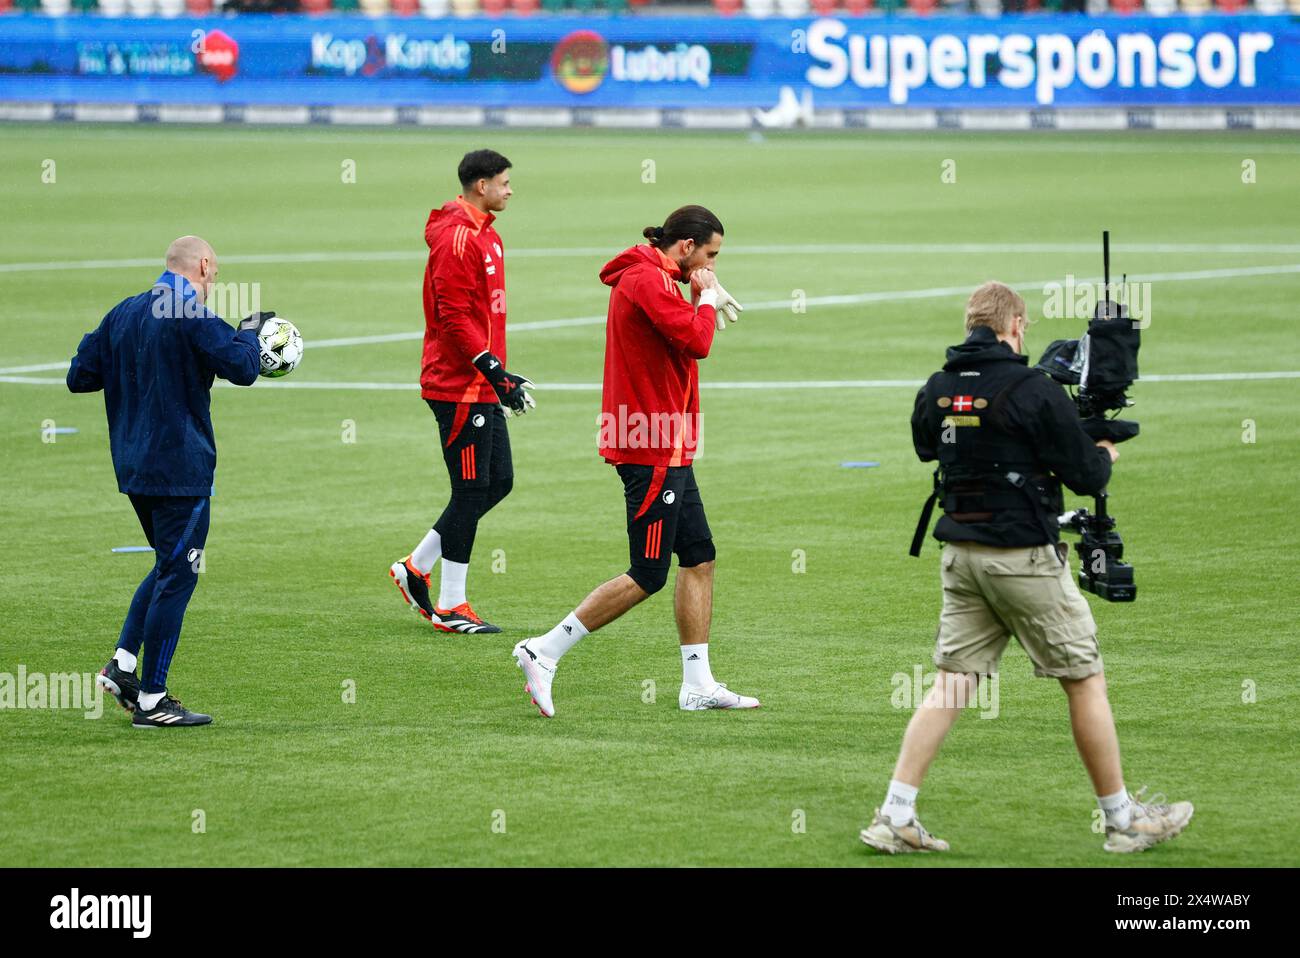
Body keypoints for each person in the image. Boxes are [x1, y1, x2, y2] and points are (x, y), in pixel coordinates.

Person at [860, 281, 1192, 854]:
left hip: (961, 555)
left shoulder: (936, 387)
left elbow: (931, 446)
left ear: (971, 327)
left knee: (952, 682)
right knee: (1084, 678)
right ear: (1015, 327)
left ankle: (895, 814)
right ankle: (1123, 820)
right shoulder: (1032, 387)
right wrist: (1104, 450)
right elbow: (1087, 475)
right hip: (1022, 558)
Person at [510, 205, 756, 718]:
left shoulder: (661, 277)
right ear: (686, 247)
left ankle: (697, 684)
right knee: (648, 572)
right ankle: (544, 650)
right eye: (710, 255)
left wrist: (696, 295)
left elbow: (680, 340)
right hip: (648, 445)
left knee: (699, 557)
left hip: (669, 442)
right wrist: (705, 300)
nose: (713, 266)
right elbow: (699, 342)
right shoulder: (646, 280)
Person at [68, 235, 271, 729]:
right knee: (180, 576)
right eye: (215, 276)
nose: (212, 284)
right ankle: (153, 701)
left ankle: (123, 666)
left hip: (134, 469)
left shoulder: (124, 313)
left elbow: (79, 375)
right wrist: (251, 330)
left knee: (166, 565)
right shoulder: (191, 315)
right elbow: (245, 368)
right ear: (202, 265)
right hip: (181, 470)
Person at [390, 149, 535, 635]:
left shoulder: (484, 233)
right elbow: (453, 318)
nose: (510, 189)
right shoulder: (456, 238)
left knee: (499, 481)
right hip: (456, 386)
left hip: (478, 383)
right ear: (481, 185)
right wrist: (496, 371)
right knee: (471, 489)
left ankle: (415, 566)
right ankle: (451, 606)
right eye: (504, 182)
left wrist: (498, 375)